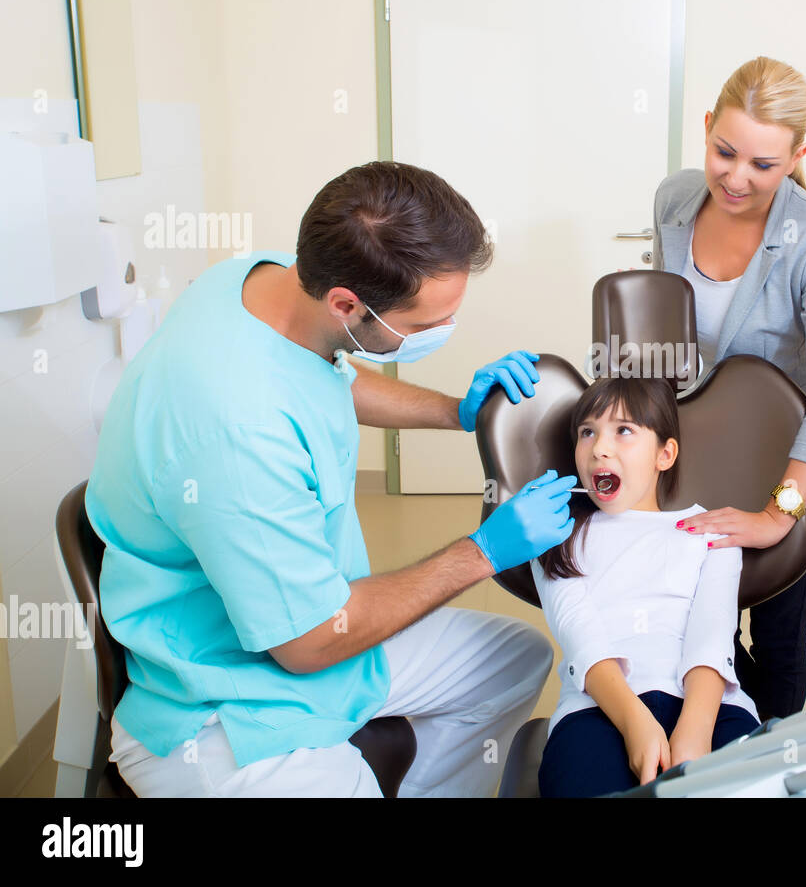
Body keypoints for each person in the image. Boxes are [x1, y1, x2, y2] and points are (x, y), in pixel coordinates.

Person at [89, 160, 579, 796]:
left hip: (307, 618)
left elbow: (329, 374)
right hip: (222, 698)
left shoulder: (265, 283)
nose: (443, 333)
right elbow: (308, 644)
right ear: (347, 304)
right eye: (428, 325)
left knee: (515, 660)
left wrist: (457, 411)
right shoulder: (237, 430)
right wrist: (482, 553)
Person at [650, 56, 806, 720]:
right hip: (700, 450)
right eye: (724, 152)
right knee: (693, 613)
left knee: (774, 631)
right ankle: (716, 747)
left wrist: (778, 513)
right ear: (707, 127)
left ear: (797, 156)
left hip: (788, 461)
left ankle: (772, 762)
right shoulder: (674, 200)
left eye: (764, 165)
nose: (736, 179)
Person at [535, 376, 760, 797]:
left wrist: (694, 732)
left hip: (712, 708)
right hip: (598, 708)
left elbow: (712, 635)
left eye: (623, 430)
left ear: (665, 453)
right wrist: (636, 724)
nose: (600, 447)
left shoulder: (709, 531)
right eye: (587, 432)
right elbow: (582, 638)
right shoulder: (554, 534)